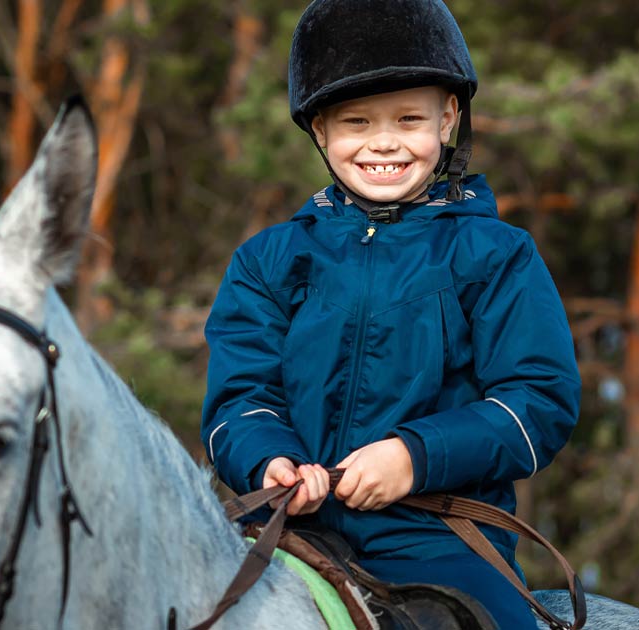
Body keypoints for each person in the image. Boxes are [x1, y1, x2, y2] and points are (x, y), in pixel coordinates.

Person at [200, 1, 580, 627]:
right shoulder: (268, 261)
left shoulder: (497, 255)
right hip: (288, 528)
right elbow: (241, 399)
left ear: (448, 119)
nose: (383, 141)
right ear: (320, 130)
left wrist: (413, 457)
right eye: (356, 122)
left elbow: (538, 400)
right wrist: (272, 458)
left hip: (436, 539)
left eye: (409, 118)